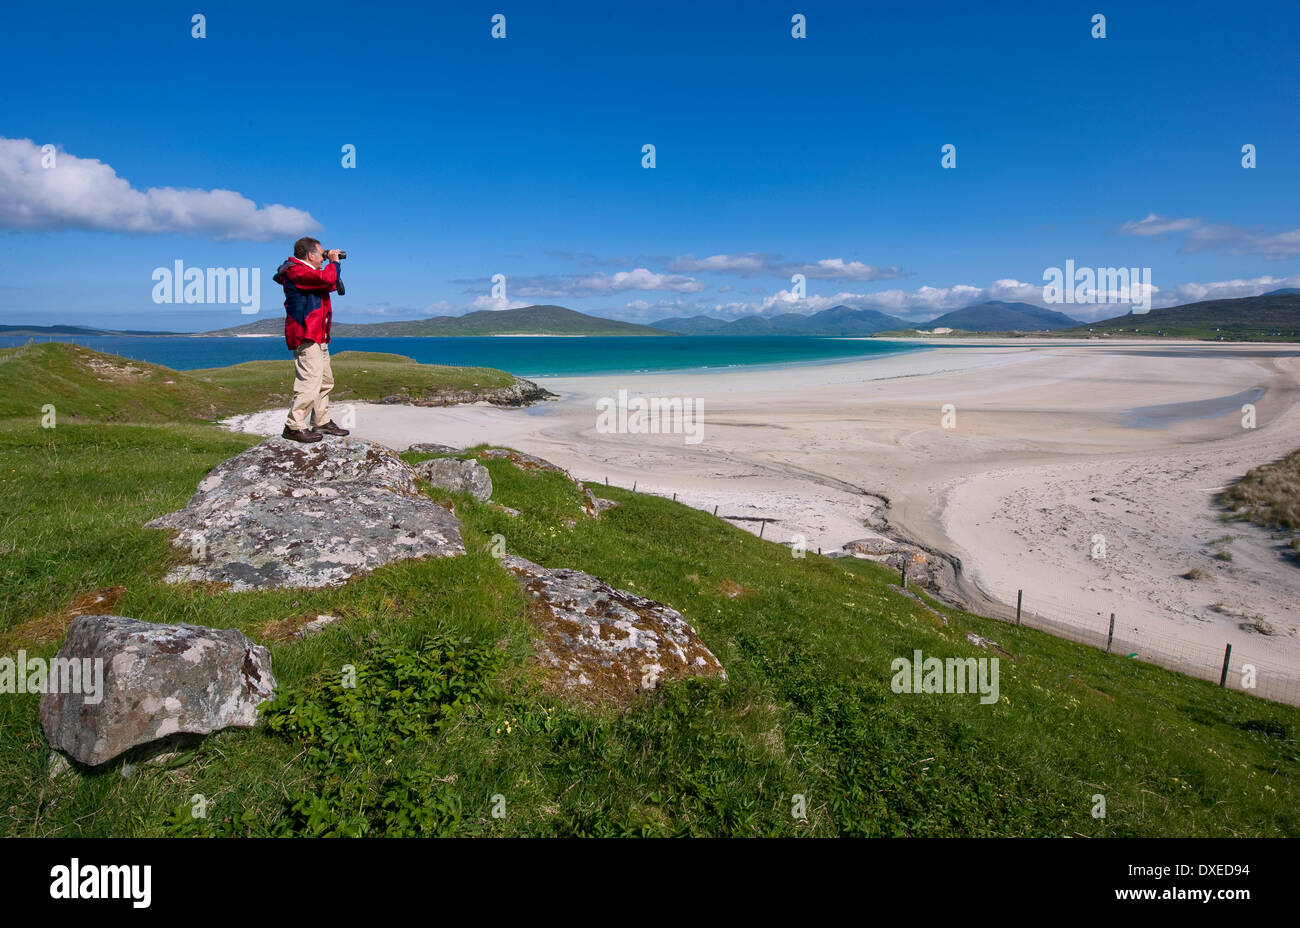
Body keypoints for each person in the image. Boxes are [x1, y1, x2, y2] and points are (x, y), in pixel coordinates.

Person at [274, 237, 350, 442]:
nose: (324, 257)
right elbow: (326, 279)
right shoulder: (295, 271)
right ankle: (294, 425)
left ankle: (321, 420)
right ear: (310, 255)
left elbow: (329, 282)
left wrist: (332, 266)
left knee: (325, 381)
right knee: (310, 382)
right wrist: (334, 262)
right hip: (306, 334)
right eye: (322, 253)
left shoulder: (308, 273)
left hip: (318, 335)